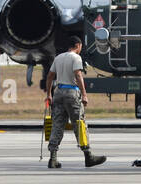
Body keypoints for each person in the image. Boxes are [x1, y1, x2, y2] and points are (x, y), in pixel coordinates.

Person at [44, 35, 105, 168]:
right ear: (78, 46)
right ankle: (88, 156)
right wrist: (84, 94)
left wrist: (49, 94)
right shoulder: (76, 58)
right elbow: (78, 74)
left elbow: (50, 76)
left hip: (58, 92)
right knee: (79, 124)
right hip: (72, 93)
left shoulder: (58, 57)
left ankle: (53, 158)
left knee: (57, 124)